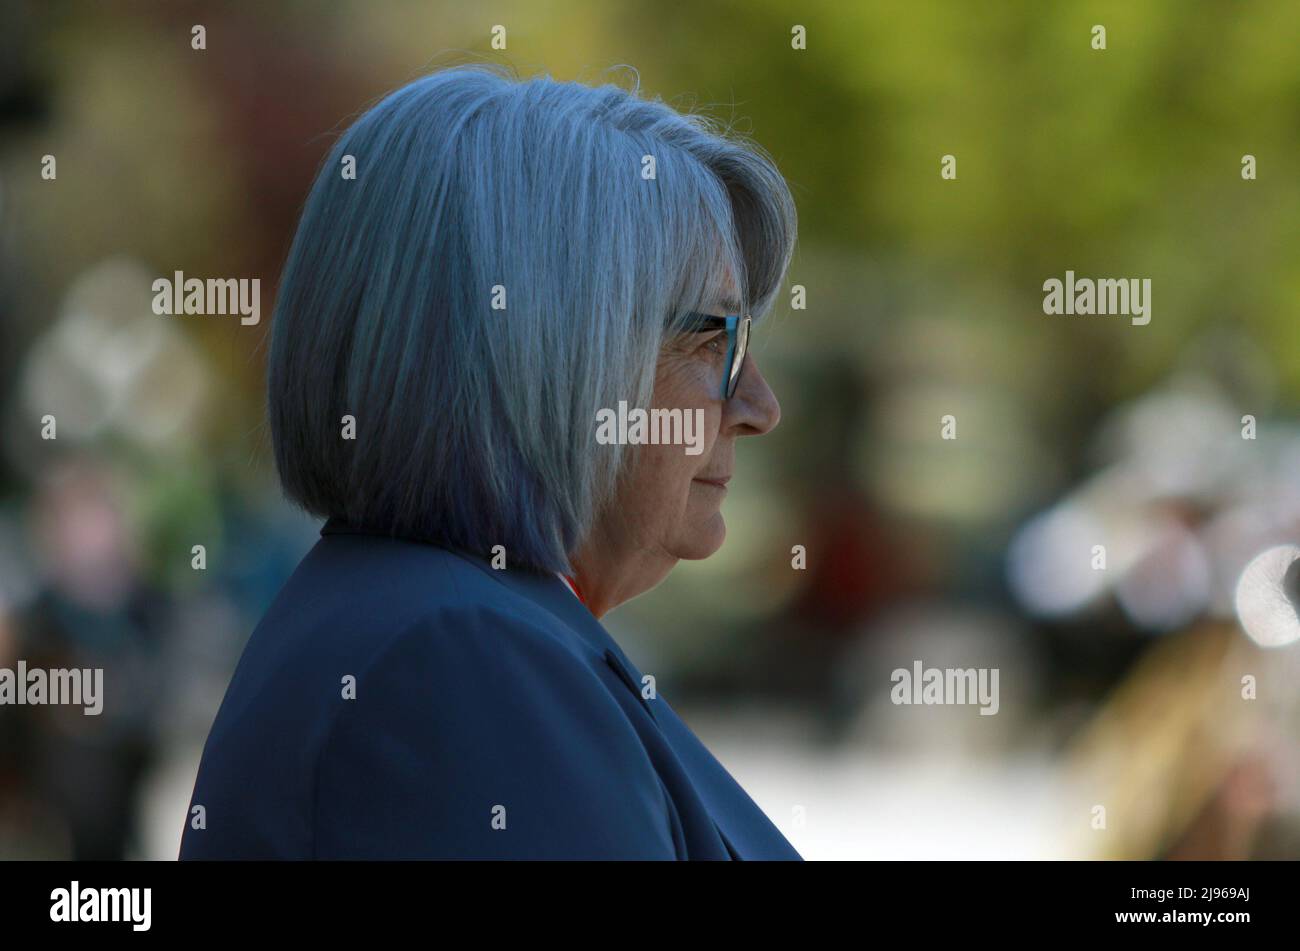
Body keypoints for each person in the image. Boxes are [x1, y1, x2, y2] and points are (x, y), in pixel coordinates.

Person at [180, 63, 799, 859]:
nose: (759, 406)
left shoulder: (438, 623)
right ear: (545, 351)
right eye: (715, 335)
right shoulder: (460, 658)